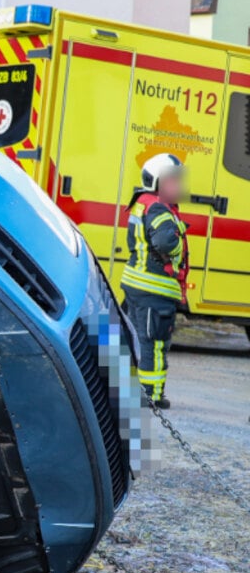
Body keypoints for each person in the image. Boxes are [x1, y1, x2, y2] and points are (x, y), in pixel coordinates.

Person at [122, 153, 189, 409]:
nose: (179, 186)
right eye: (174, 180)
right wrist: (172, 253)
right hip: (154, 289)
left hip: (137, 284)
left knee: (138, 338)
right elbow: (164, 242)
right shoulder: (159, 207)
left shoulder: (143, 202)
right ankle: (151, 395)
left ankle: (135, 389)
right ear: (159, 182)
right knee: (154, 343)